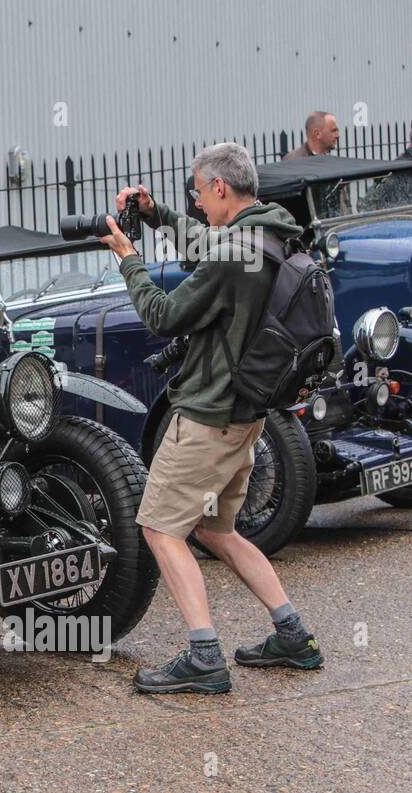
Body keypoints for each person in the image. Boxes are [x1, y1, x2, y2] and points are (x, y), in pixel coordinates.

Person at [97, 141, 324, 694]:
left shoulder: (232, 254)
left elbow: (163, 314)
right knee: (213, 527)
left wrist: (129, 256)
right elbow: (209, 244)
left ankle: (204, 655)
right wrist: (157, 215)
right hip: (248, 417)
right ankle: (293, 634)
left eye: (198, 193)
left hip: (206, 417)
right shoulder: (273, 234)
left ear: (220, 187)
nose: (196, 205)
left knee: (160, 528)